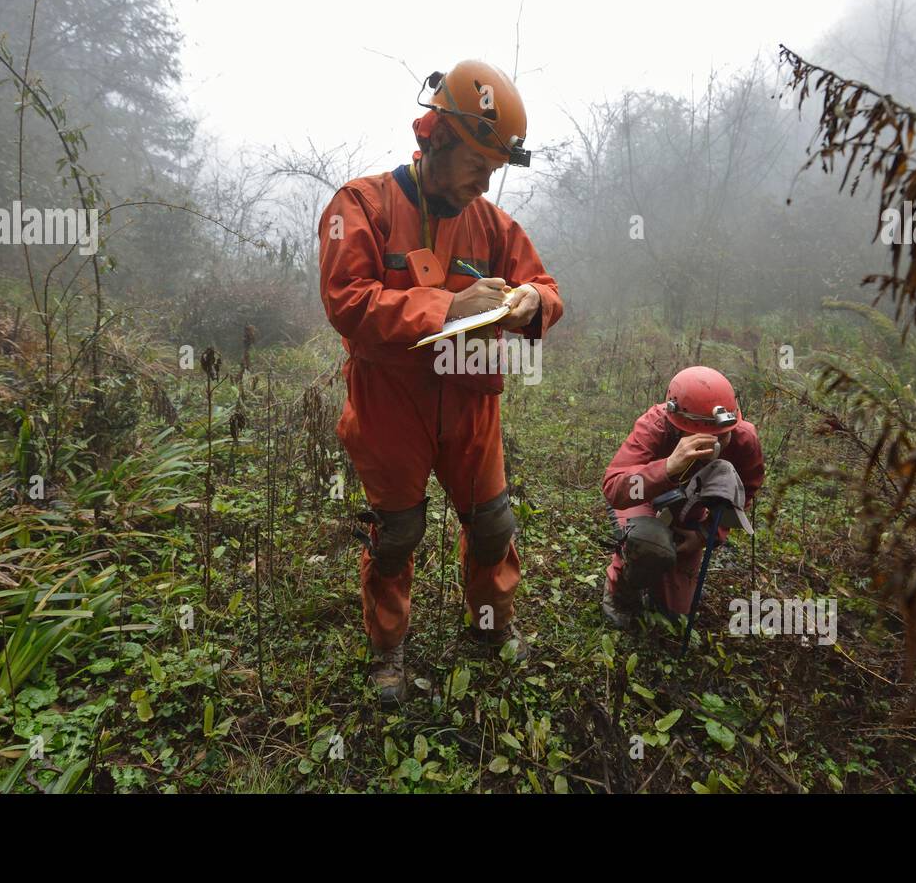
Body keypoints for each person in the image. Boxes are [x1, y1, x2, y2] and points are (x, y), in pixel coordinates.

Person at [317, 60, 563, 705]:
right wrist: (446, 308)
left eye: (494, 170)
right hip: (388, 405)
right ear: (436, 136)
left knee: (491, 524)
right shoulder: (360, 205)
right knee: (396, 535)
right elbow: (348, 302)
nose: (484, 183)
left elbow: (545, 286)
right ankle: (388, 651)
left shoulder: (492, 224)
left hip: (473, 403)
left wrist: (534, 302)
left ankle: (491, 624)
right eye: (477, 165)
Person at [601, 366, 764, 628]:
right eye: (703, 437)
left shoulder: (744, 440)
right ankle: (620, 588)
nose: (715, 444)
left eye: (722, 435)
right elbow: (614, 487)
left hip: (688, 507)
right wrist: (667, 468)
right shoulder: (656, 425)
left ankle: (658, 573)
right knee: (651, 546)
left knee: (673, 616)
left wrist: (705, 533)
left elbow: (745, 493)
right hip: (642, 497)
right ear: (679, 426)